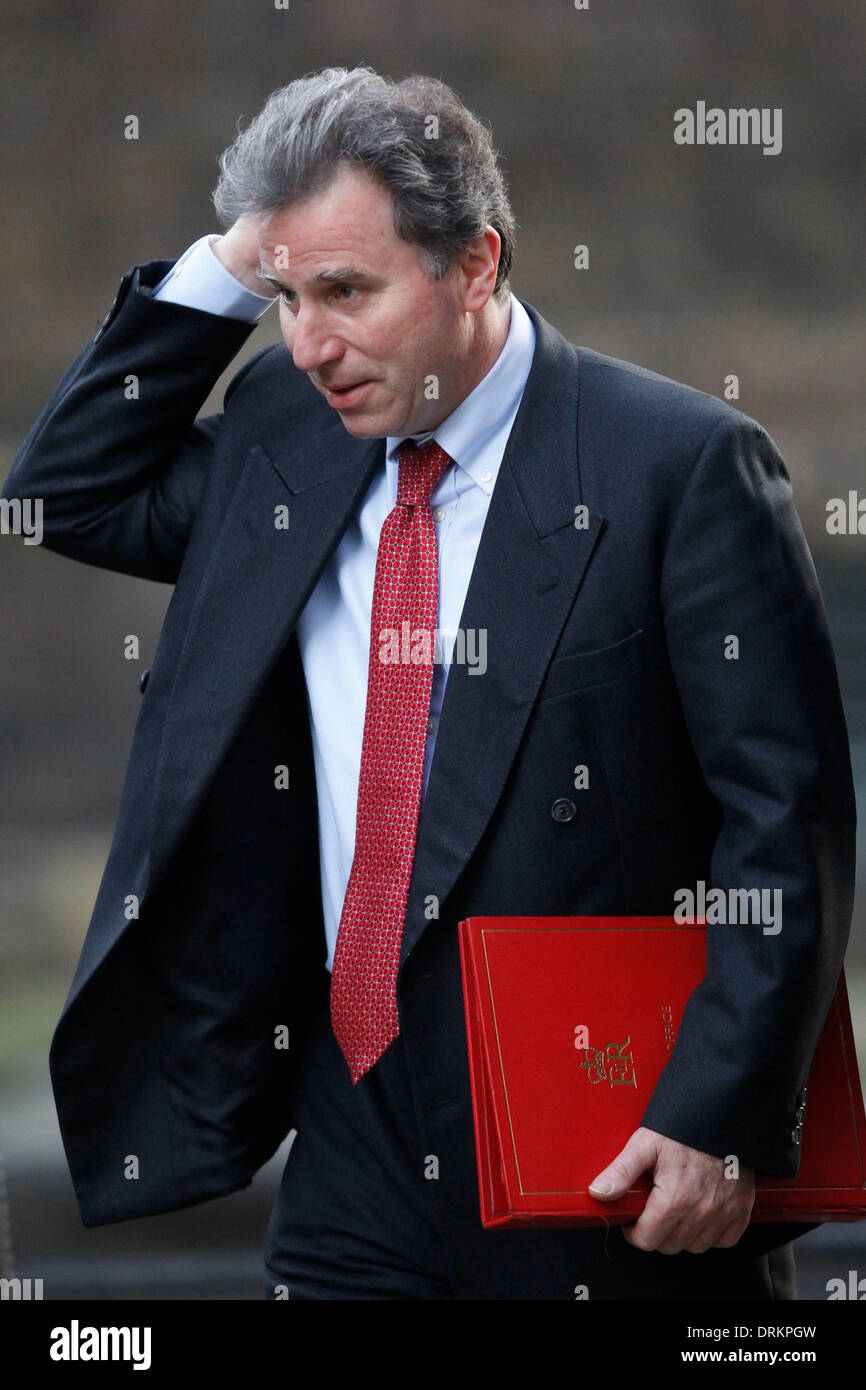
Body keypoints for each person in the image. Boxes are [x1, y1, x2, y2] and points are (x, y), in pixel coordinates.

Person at [3, 65, 855, 1301]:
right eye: (285, 296)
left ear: (474, 265)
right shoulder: (282, 435)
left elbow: (787, 823)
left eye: (345, 289)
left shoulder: (674, 465)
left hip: (601, 1126)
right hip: (350, 1126)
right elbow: (67, 491)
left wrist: (715, 1108)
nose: (306, 342)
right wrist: (225, 265)